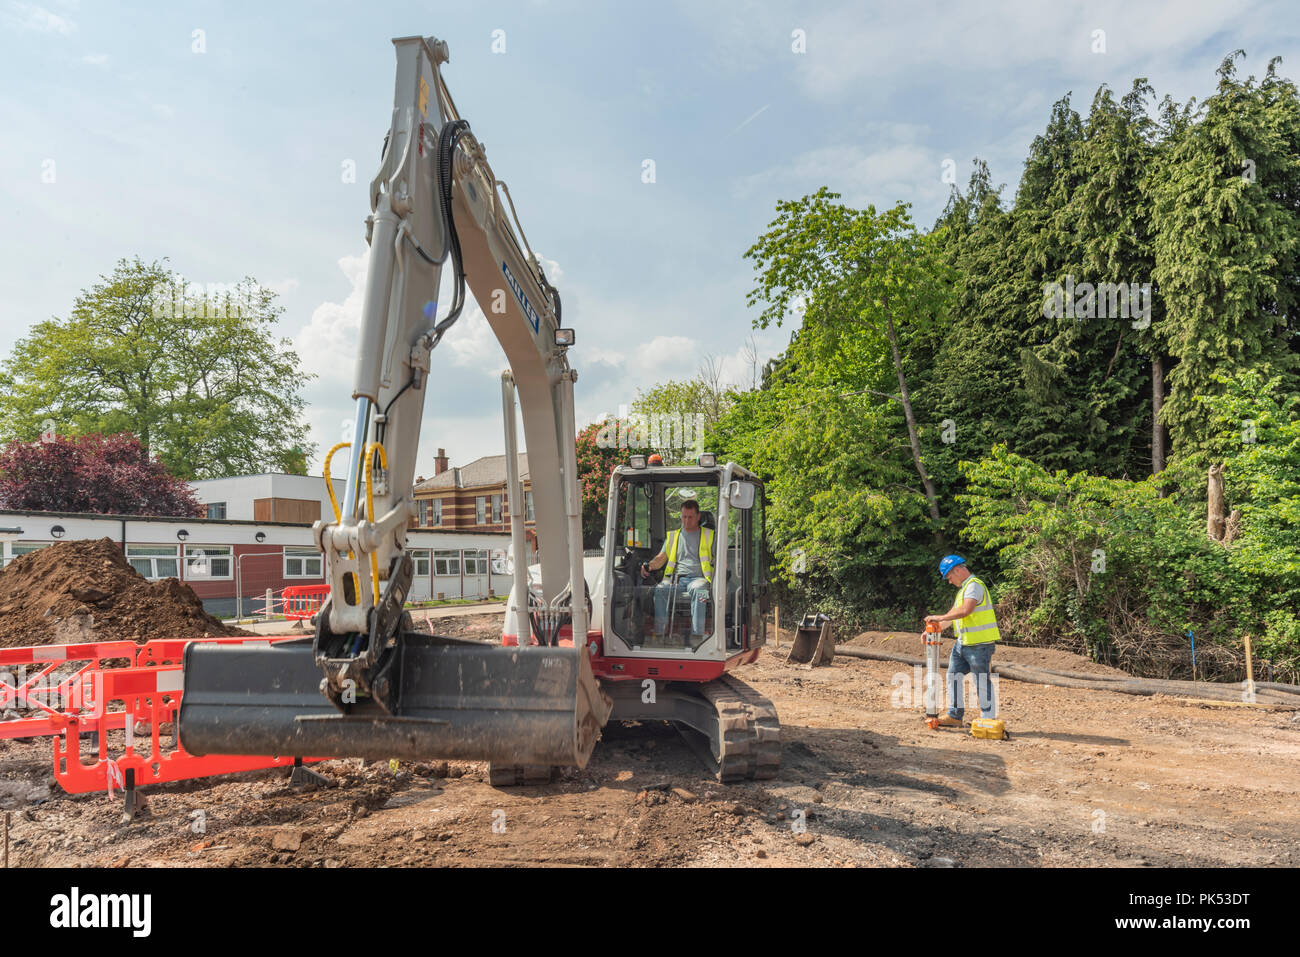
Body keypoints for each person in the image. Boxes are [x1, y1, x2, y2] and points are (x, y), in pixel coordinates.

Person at [924, 554, 1001, 727]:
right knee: (953, 675)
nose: (949, 581)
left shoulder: (974, 586)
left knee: (981, 679)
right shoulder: (964, 590)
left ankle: (988, 718)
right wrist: (935, 627)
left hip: (979, 644)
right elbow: (952, 616)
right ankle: (955, 715)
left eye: (949, 577)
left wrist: (939, 616)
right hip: (963, 643)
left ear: (957, 570)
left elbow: (966, 610)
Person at [640, 499, 714, 644]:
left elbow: (719, 557)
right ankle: (659, 635)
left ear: (698, 516)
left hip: (701, 579)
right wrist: (648, 566)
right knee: (659, 590)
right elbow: (661, 558)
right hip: (676, 580)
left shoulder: (709, 535)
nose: (686, 520)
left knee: (701, 593)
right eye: (684, 516)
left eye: (690, 517)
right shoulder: (673, 536)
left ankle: (697, 637)